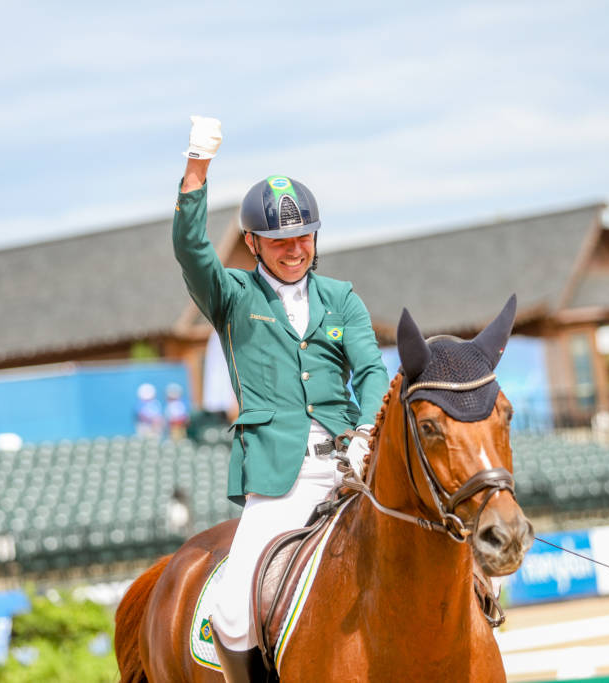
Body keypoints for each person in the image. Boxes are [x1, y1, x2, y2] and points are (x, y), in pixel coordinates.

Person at [173, 116, 389, 682]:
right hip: (280, 478)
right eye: (279, 241)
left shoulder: (341, 298)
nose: (295, 250)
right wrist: (197, 168)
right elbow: (191, 249)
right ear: (252, 243)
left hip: (353, 466)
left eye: (304, 237)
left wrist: (367, 433)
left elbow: (371, 371)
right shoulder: (232, 295)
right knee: (231, 616)